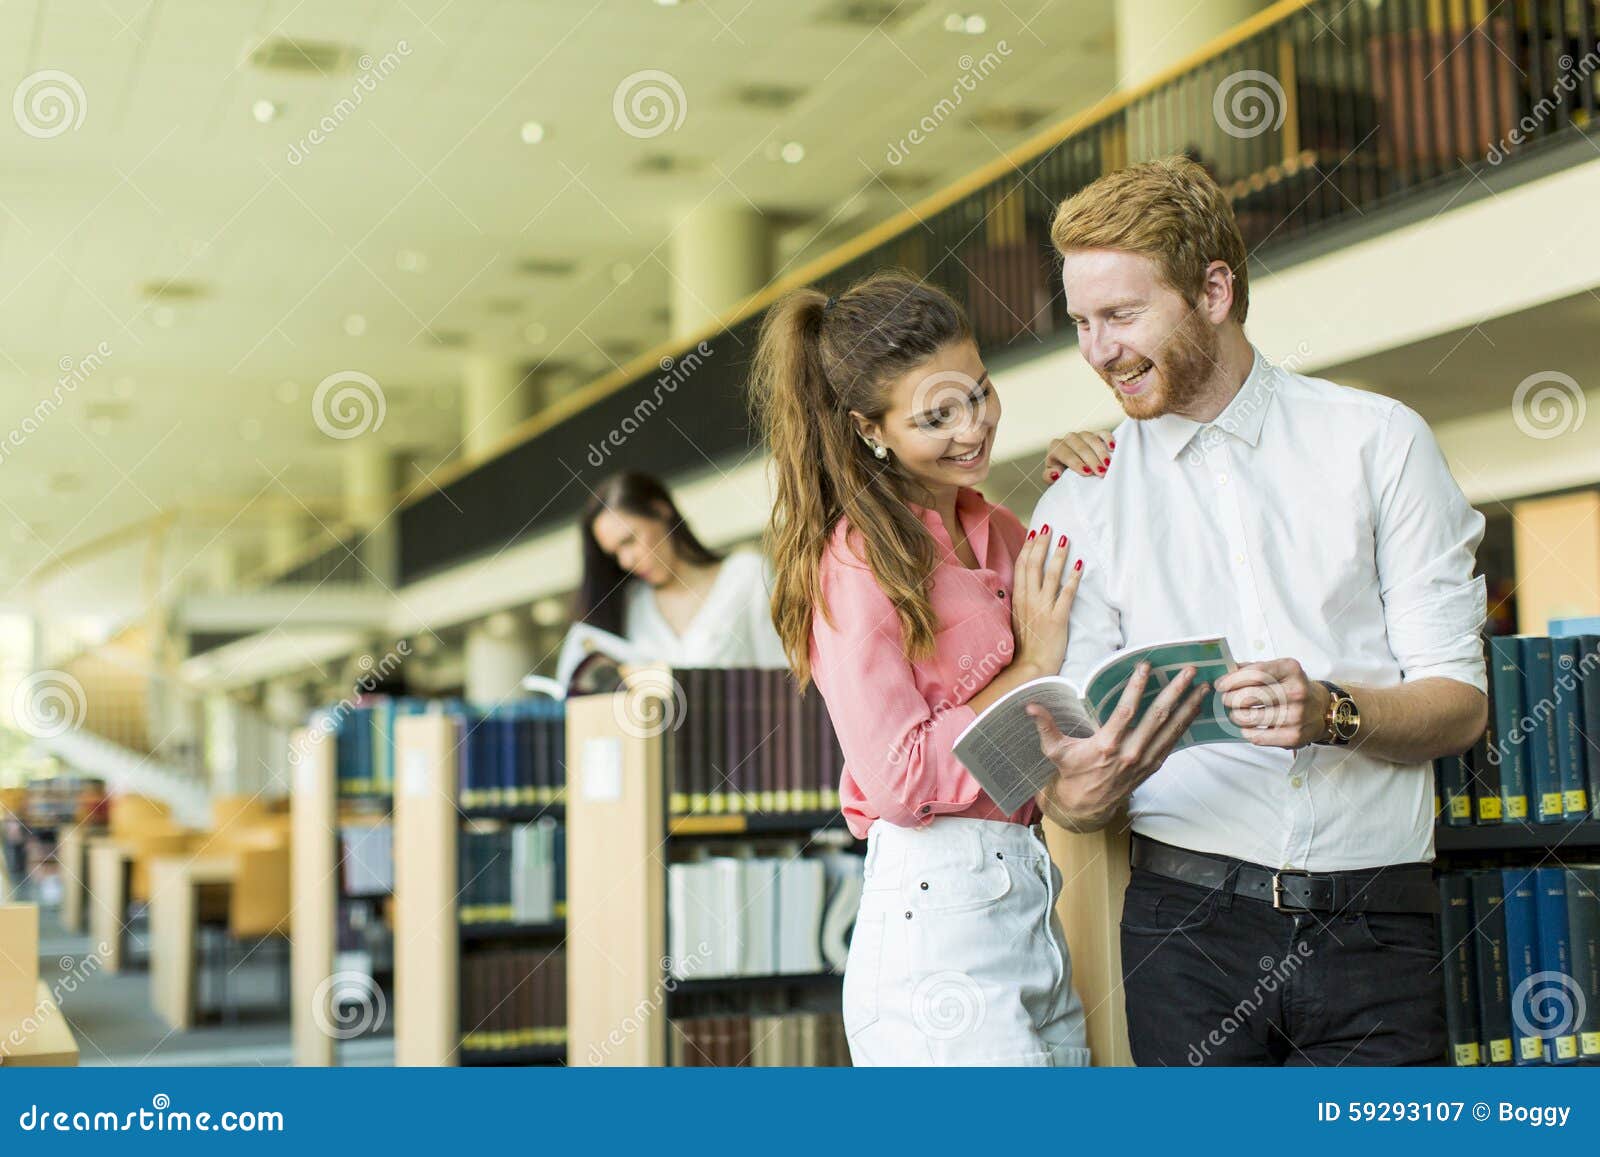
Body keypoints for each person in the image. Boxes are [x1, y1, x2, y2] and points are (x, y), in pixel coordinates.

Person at [1028, 156, 1488, 1066]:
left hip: (1380, 928)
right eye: (1081, 322)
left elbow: (1459, 702)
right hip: (1184, 936)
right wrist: (1079, 792)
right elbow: (1069, 789)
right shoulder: (1080, 501)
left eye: (1121, 315)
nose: (1097, 350)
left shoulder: (1377, 441)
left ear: (1213, 289)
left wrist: (1332, 710)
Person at [753, 269, 1209, 1066]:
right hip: (934, 923)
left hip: (1031, 903)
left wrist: (1089, 477)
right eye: (937, 416)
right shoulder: (852, 563)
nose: (974, 427)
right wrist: (1032, 664)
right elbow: (899, 778)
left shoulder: (999, 528)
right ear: (871, 428)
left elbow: (1074, 660)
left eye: (980, 393)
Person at [574, 472, 786, 668]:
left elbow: (782, 670)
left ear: (660, 510)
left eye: (629, 540)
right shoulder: (635, 603)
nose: (626, 561)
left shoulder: (745, 574)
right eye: (614, 554)